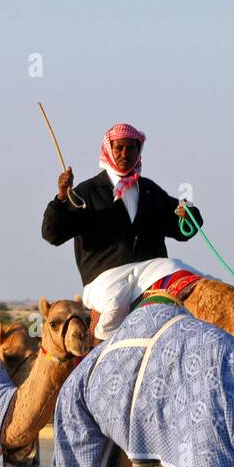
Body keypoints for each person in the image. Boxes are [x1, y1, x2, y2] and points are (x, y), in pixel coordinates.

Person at [42, 122, 204, 338]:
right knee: (116, 302)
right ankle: (97, 349)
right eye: (119, 148)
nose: (124, 153)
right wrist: (62, 197)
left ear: (139, 150)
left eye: (130, 148)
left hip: (148, 270)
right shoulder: (86, 193)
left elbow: (183, 230)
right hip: (105, 277)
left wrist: (190, 212)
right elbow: (53, 233)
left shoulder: (149, 191)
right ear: (109, 149)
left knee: (186, 275)